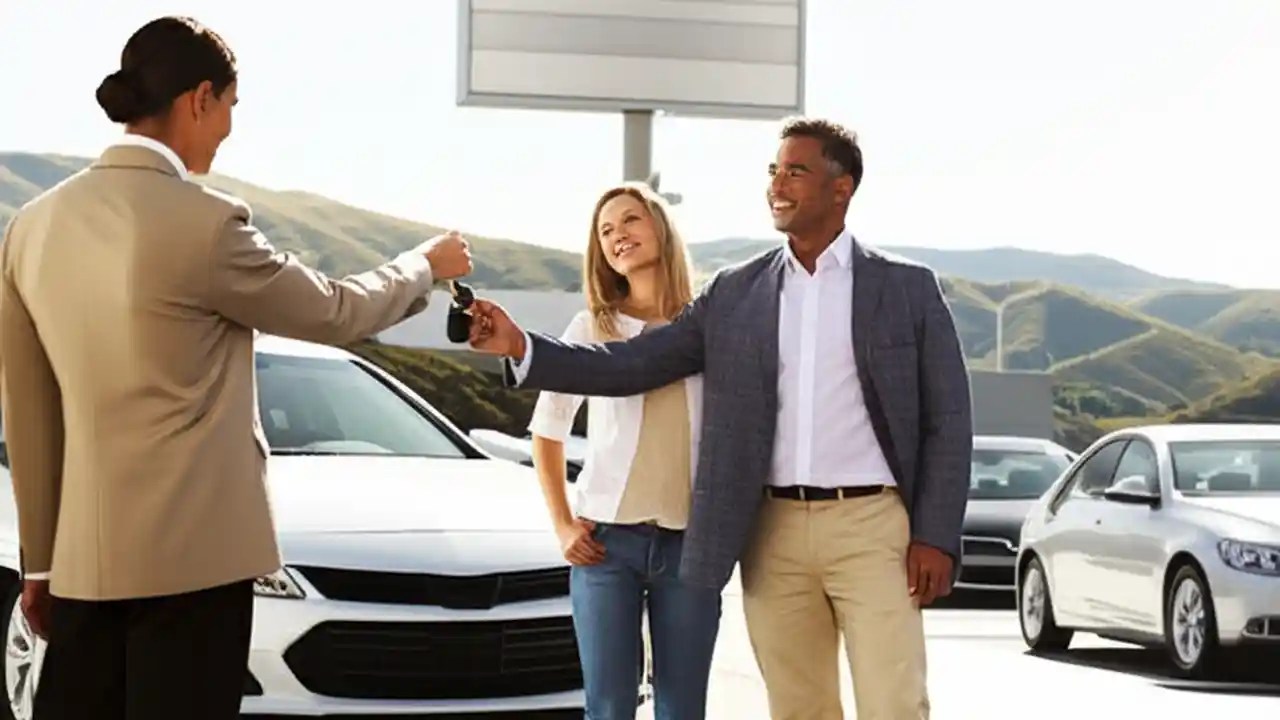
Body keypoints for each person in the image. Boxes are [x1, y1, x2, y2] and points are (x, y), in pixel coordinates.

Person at [0, 16, 471, 720]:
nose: (226, 129)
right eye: (228, 108)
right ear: (198, 99)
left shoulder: (30, 227)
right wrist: (423, 268)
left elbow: (29, 413)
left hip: (78, 568)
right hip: (193, 570)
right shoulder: (206, 223)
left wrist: (39, 567)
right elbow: (337, 312)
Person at [467, 117, 973, 719]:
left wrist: (936, 535)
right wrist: (522, 346)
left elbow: (948, 419)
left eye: (797, 170)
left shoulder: (908, 289)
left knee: (893, 702)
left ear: (842, 188)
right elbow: (631, 363)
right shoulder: (736, 292)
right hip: (772, 531)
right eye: (773, 170)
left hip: (872, 527)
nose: (777, 184)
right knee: (797, 706)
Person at [527, 182, 719, 719]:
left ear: (660, 226)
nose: (618, 236)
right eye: (606, 230)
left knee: (682, 709)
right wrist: (563, 525)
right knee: (609, 708)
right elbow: (547, 430)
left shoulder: (708, 329)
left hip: (692, 547)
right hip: (606, 546)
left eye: (629, 220)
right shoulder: (592, 327)